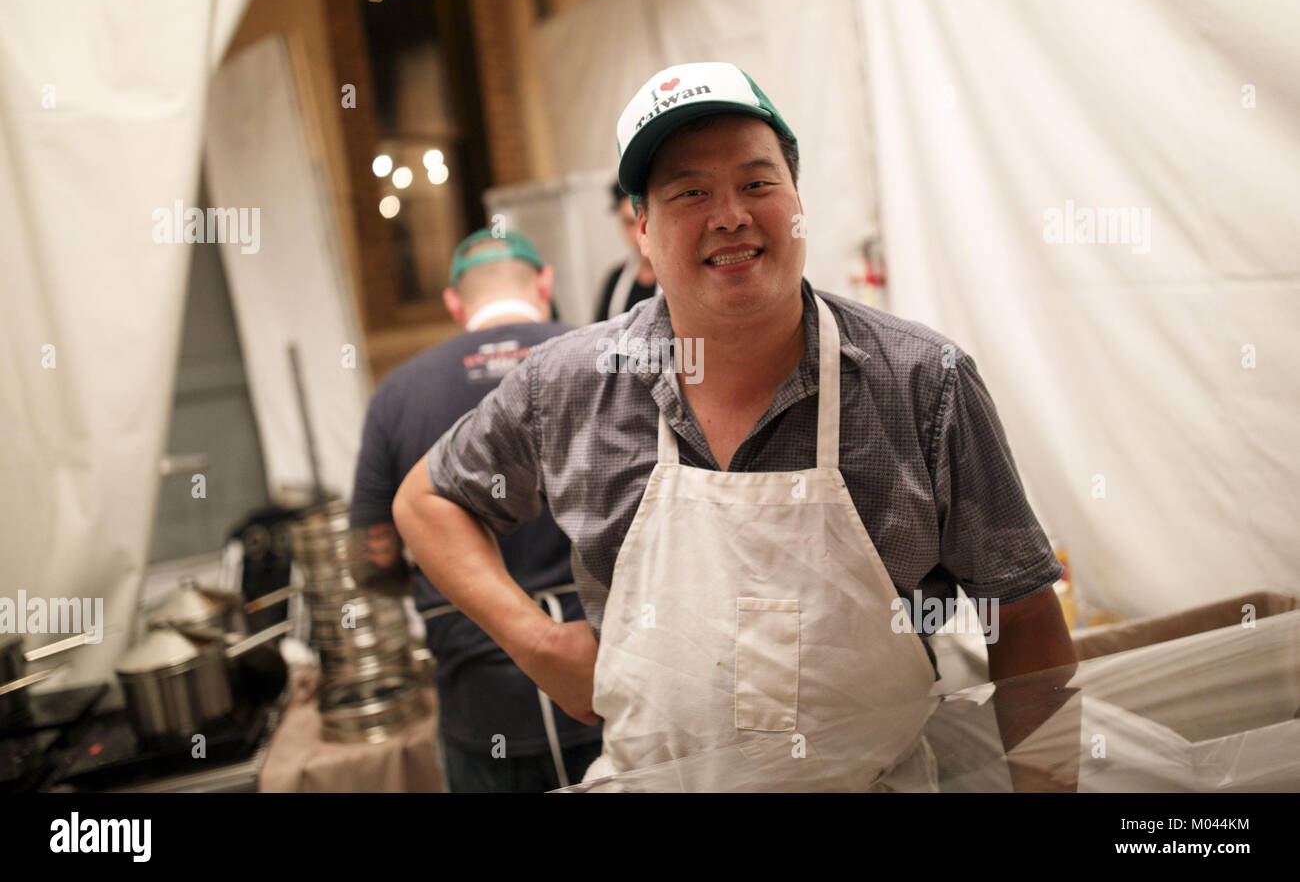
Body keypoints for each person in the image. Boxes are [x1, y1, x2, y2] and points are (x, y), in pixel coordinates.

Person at [394, 62, 1077, 791]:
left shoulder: (920, 383)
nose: (730, 215)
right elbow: (426, 502)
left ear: (798, 204)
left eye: (758, 184)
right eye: (691, 192)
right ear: (644, 231)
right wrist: (539, 643)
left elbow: (1025, 617)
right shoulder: (571, 384)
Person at [351, 228, 602, 792]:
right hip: (607, 674)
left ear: (453, 302)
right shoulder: (599, 356)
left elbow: (371, 556)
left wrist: (439, 577)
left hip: (482, 693)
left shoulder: (398, 392)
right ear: (544, 282)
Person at [593, 182, 659, 320]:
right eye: (630, 222)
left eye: (646, 220)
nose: (639, 233)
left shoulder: (682, 278)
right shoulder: (615, 280)